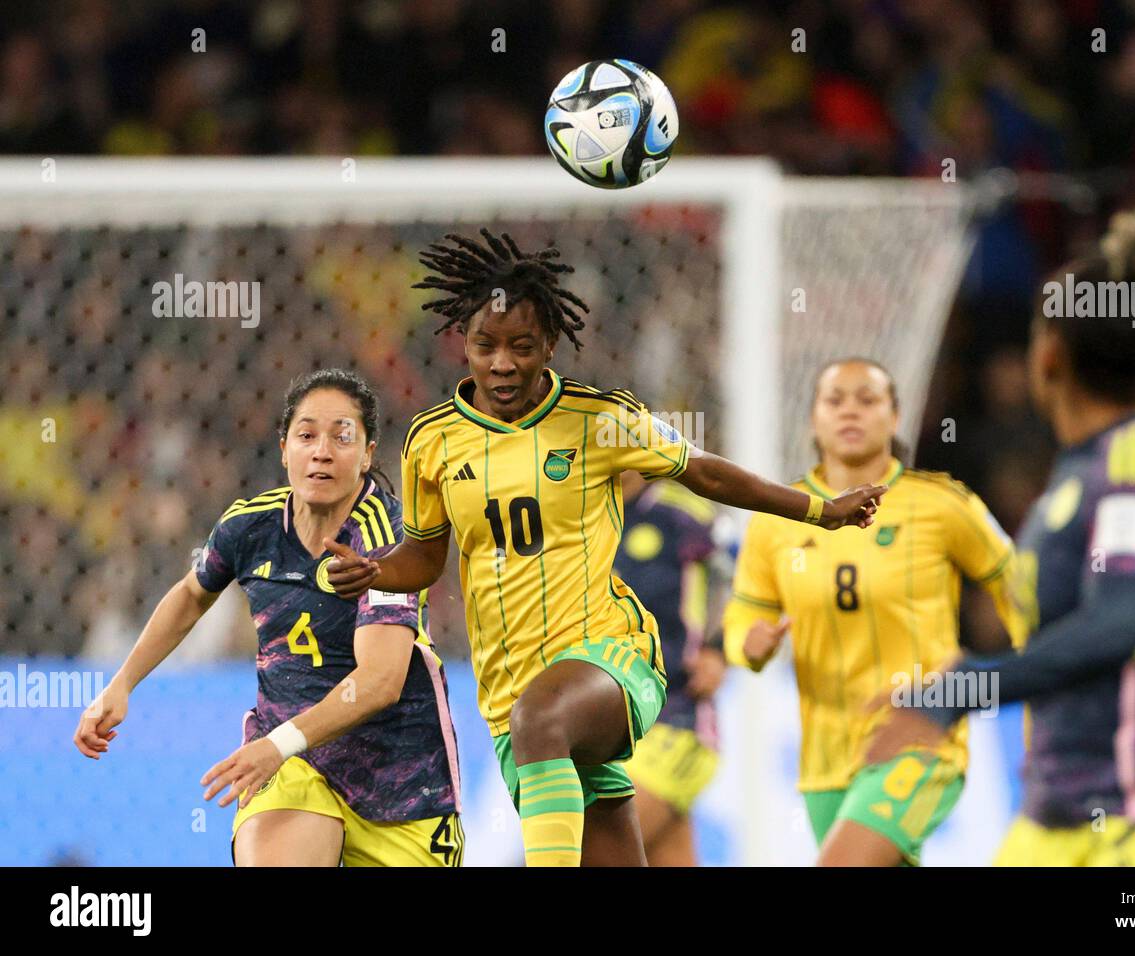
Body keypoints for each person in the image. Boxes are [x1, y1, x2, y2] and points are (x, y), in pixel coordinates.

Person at [325, 228, 885, 866]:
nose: (502, 364)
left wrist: (820, 510)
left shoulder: (599, 420)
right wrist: (376, 570)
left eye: (521, 347)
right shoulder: (432, 442)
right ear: (464, 345)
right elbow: (425, 560)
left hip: (612, 659)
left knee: (543, 718)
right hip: (510, 696)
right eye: (486, 346)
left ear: (551, 346)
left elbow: (705, 471)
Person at [868, 201, 1135, 866]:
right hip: (1060, 813)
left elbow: (1117, 624)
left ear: (1048, 355)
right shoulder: (1079, 475)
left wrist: (958, 692)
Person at [74, 369, 463, 867]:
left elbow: (382, 681)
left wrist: (276, 745)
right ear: (284, 449)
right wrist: (122, 684)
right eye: (306, 436)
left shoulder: (384, 535)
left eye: (343, 437)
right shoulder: (248, 527)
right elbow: (193, 593)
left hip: (400, 775)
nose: (321, 451)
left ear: (368, 454)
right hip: (292, 764)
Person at [723, 357, 1018, 866]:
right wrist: (749, 644)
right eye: (835, 400)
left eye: (867, 398)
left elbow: (1020, 589)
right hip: (825, 763)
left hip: (921, 740)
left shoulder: (943, 504)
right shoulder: (777, 522)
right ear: (813, 418)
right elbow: (743, 615)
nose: (850, 411)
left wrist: (1037, 677)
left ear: (895, 417)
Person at [616, 470, 727, 866]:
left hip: (676, 716)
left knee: (593, 853)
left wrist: (720, 648)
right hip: (605, 728)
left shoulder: (680, 511)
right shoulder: (578, 513)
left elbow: (751, 576)